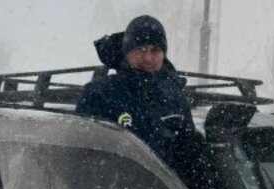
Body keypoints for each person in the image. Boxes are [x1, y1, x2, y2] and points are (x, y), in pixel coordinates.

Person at [76, 15, 198, 170]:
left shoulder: (175, 99)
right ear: (127, 52)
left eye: (155, 50)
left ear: (163, 55)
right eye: (140, 49)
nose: (147, 57)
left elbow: (191, 161)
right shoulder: (100, 95)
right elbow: (80, 157)